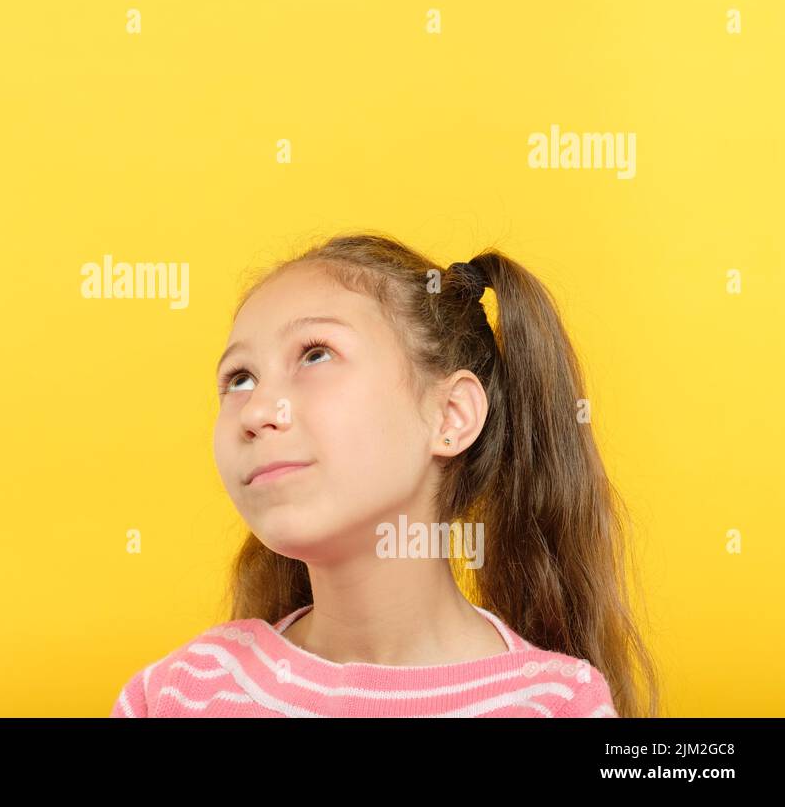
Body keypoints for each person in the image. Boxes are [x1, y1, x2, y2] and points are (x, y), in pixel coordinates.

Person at [110, 232, 658, 717]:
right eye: (239, 379)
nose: (255, 413)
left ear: (450, 416)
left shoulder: (558, 707)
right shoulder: (180, 694)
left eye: (316, 354)